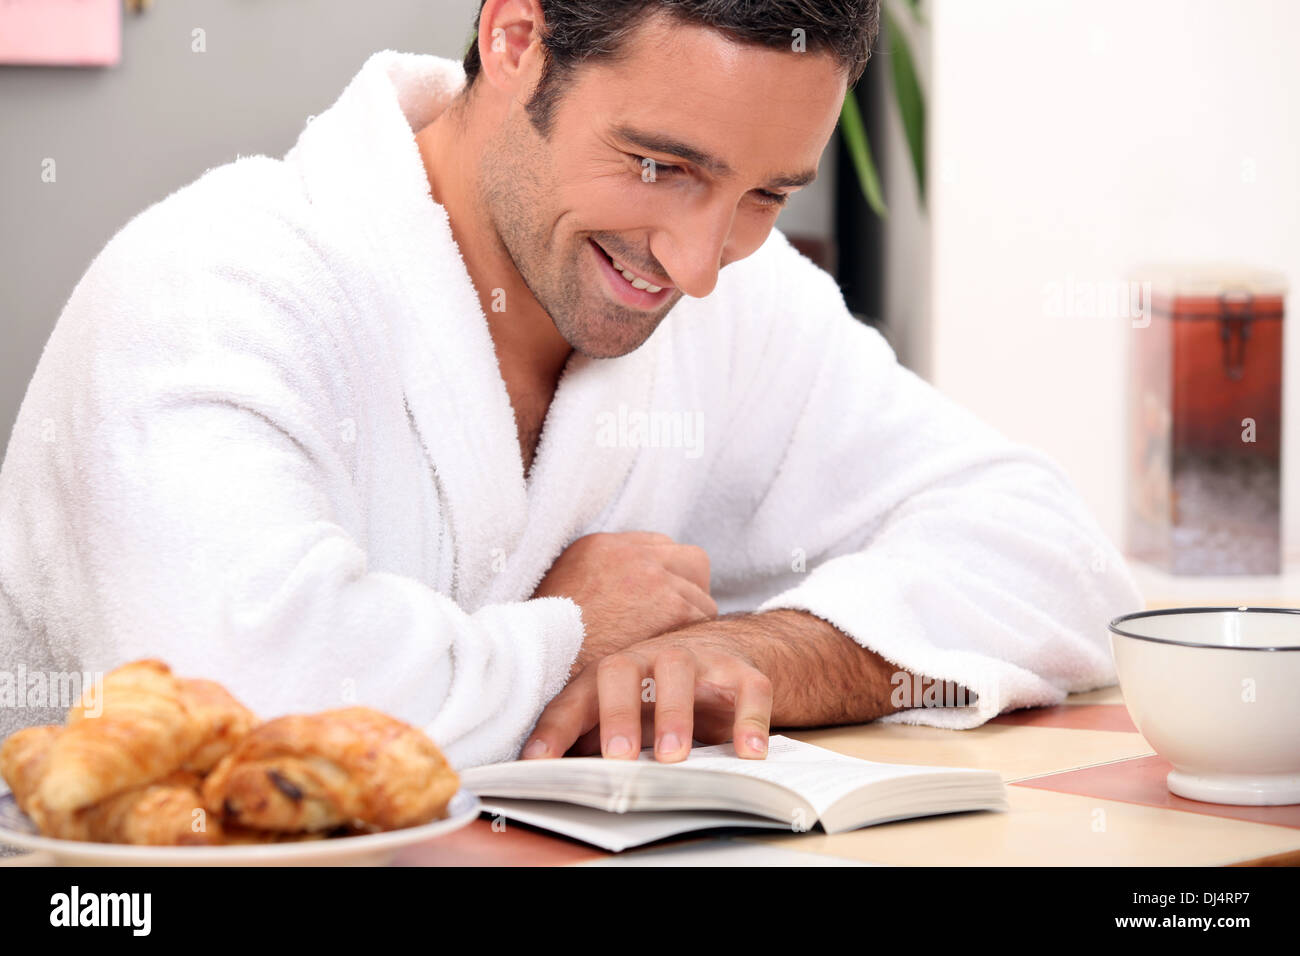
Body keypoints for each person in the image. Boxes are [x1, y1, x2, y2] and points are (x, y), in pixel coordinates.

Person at [0, 0, 1142, 770]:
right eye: (660, 165)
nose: (695, 265)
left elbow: (1054, 558)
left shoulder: (738, 302)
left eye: (765, 197)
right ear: (515, 38)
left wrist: (752, 653)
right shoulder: (211, 283)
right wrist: (573, 635)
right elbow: (241, 692)